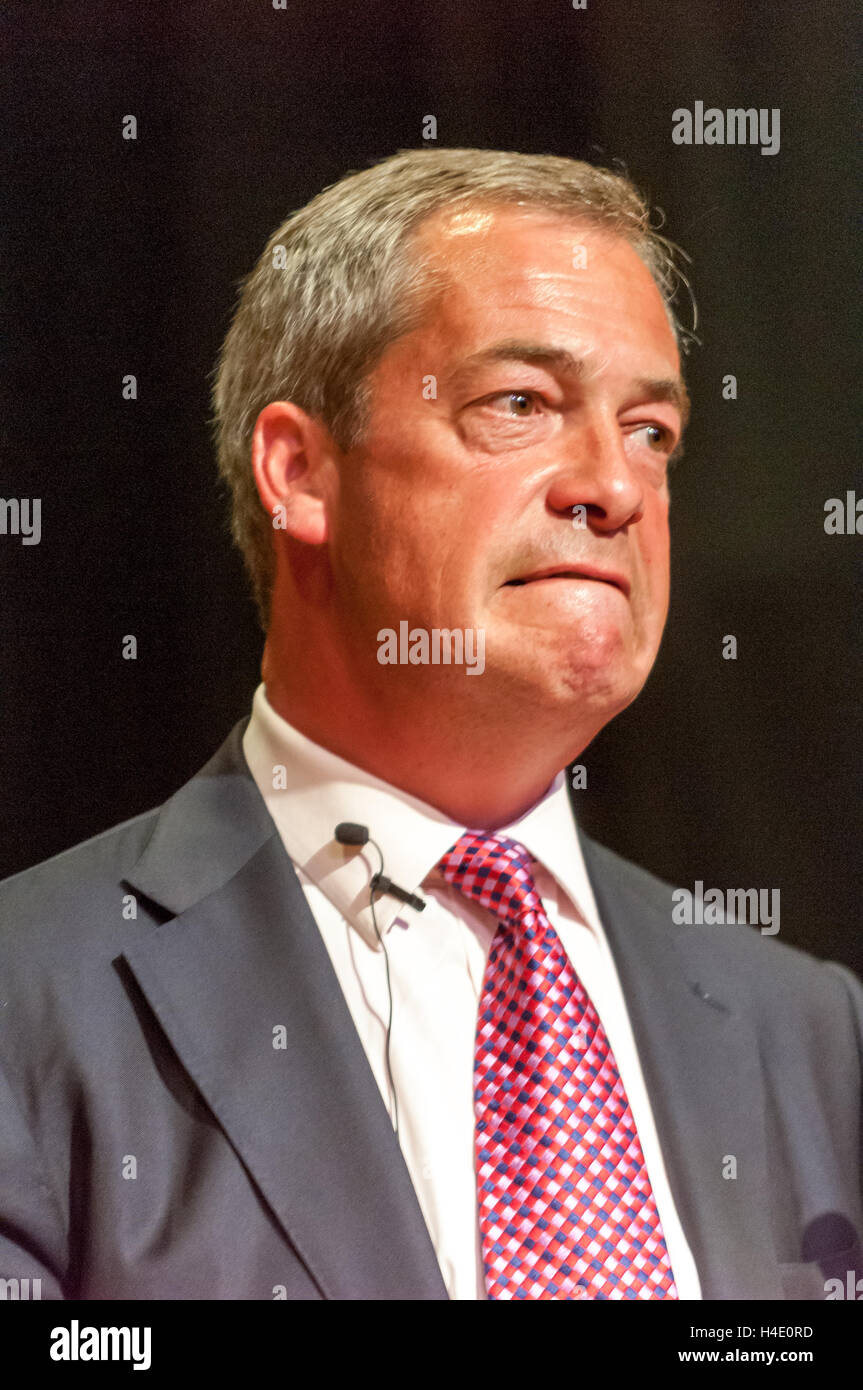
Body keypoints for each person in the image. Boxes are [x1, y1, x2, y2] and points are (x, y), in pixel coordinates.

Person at [0, 149, 859, 1302]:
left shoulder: (809, 1031)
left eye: (651, 430)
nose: (612, 485)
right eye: (520, 404)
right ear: (299, 471)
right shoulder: (30, 997)